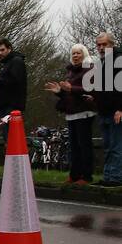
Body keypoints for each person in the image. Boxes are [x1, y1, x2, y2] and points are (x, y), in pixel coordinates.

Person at [45, 45, 95, 186]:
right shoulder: (71, 72)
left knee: (84, 145)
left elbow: (90, 89)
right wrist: (59, 92)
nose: (75, 56)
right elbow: (69, 94)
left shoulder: (90, 69)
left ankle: (86, 176)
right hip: (72, 113)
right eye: (73, 53)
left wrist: (71, 88)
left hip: (84, 112)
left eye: (78, 53)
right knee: (73, 146)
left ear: (84, 54)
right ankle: (74, 175)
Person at [92, 32, 122, 186]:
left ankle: (116, 178)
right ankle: (108, 176)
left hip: (115, 111)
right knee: (108, 146)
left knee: (116, 146)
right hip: (104, 111)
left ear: (112, 44)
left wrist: (120, 109)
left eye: (104, 44)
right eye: (99, 45)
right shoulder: (102, 62)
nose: (101, 48)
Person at [0, 39, 27, 118]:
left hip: (12, 106)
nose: (0, 53)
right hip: (4, 106)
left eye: (2, 50)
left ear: (9, 48)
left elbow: (15, 82)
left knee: (10, 130)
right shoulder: (5, 64)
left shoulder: (16, 61)